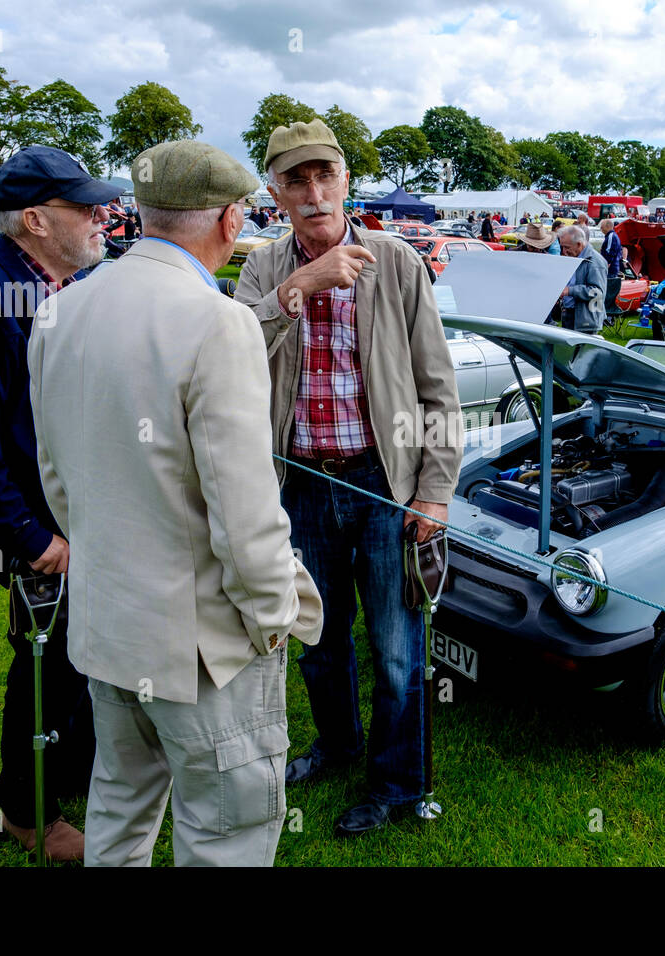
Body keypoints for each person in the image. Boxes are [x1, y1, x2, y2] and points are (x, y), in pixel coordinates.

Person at [27, 141, 321, 867]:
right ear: (229, 219)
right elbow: (244, 509)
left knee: (119, 819)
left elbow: (57, 477)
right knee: (226, 835)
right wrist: (274, 617)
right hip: (204, 649)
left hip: (108, 621)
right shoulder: (217, 321)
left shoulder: (62, 309)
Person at [235, 118, 463, 838]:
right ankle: (337, 746)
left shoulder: (395, 261)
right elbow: (234, 352)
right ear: (274, 189)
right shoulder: (264, 267)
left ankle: (398, 784)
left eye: (324, 175)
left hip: (383, 483)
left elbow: (438, 387)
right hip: (300, 483)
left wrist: (434, 489)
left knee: (397, 650)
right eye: (295, 179)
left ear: (344, 180)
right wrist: (300, 286)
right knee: (317, 638)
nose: (313, 192)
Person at [0, 145, 121, 862]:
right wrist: (32, 540)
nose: (103, 215)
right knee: (46, 662)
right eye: (85, 206)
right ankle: (26, 811)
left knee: (77, 657)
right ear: (35, 220)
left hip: (68, 515)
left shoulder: (57, 284)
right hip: (32, 529)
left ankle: (72, 778)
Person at [557, 223, 608, 333]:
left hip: (586, 322)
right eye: (562, 247)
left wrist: (569, 291)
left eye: (567, 247)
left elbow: (598, 292)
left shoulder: (595, 262)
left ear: (579, 244)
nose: (563, 251)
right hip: (572, 315)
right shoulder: (575, 257)